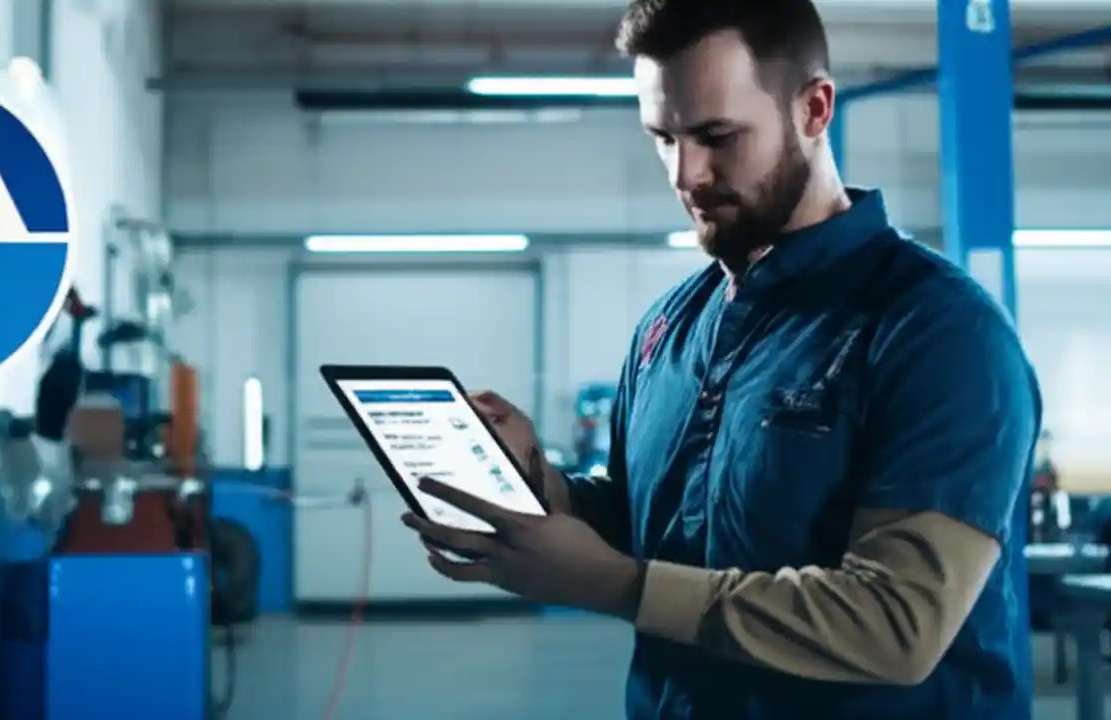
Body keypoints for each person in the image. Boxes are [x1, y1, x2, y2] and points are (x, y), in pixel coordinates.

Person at [400, 0, 1043, 717]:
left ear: (815, 108)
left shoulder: (936, 330)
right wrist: (544, 488)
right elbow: (654, 518)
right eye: (663, 138)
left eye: (717, 136)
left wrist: (614, 585)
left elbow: (897, 625)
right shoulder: (669, 327)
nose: (687, 175)